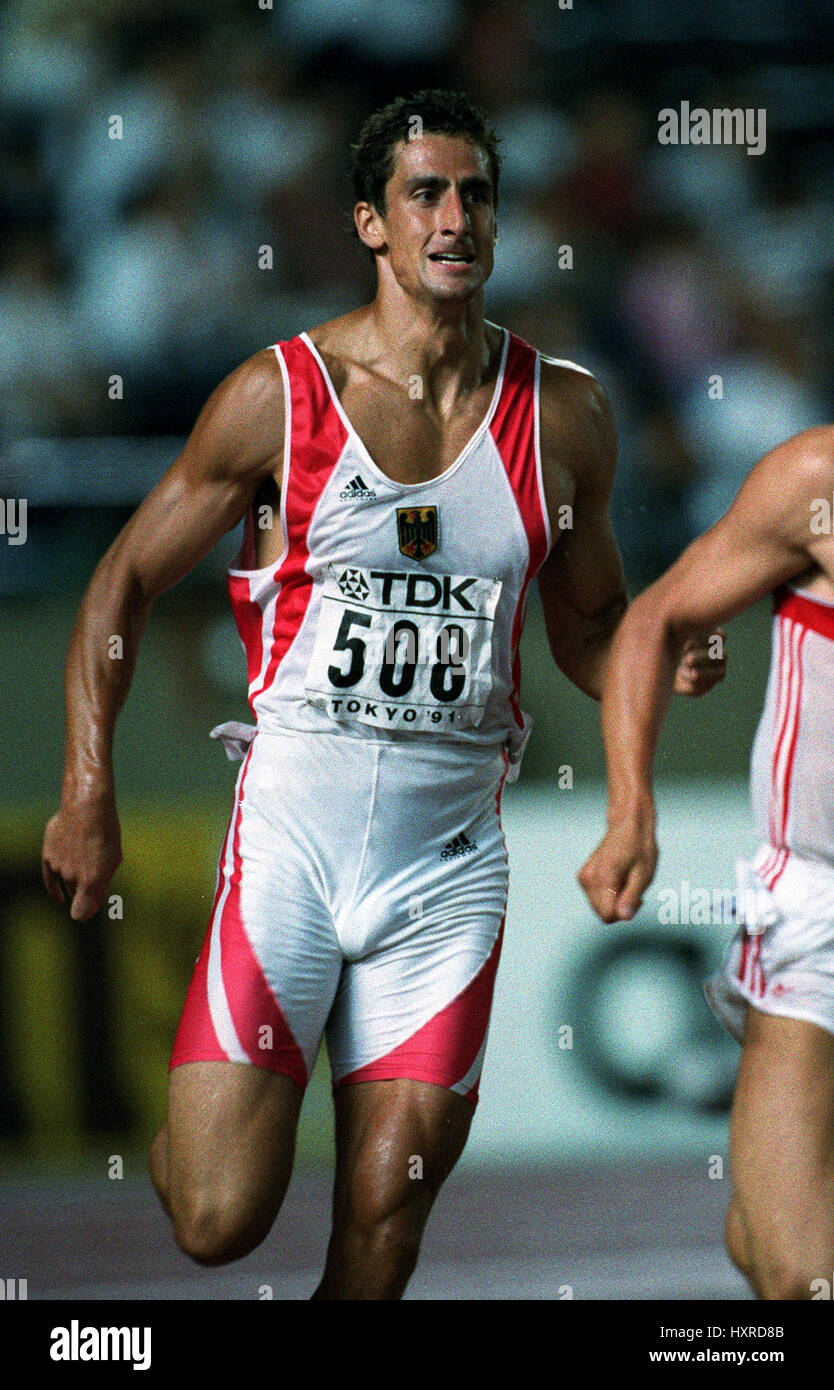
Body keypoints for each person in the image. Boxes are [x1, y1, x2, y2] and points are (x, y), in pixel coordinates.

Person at [41, 89, 723, 1300]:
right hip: (293, 838)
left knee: (386, 1213)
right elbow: (119, 585)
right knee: (214, 1218)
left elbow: (589, 627)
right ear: (371, 222)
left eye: (476, 194)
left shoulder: (564, 416)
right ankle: (198, 1129)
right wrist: (86, 792)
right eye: (425, 193)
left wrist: (655, 655)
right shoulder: (283, 396)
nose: (454, 218)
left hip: (449, 864)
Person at [579, 423, 834, 1301]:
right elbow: (657, 617)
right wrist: (629, 815)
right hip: (818, 916)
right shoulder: (817, 477)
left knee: (785, 1243)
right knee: (798, 1275)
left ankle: (779, 1201)